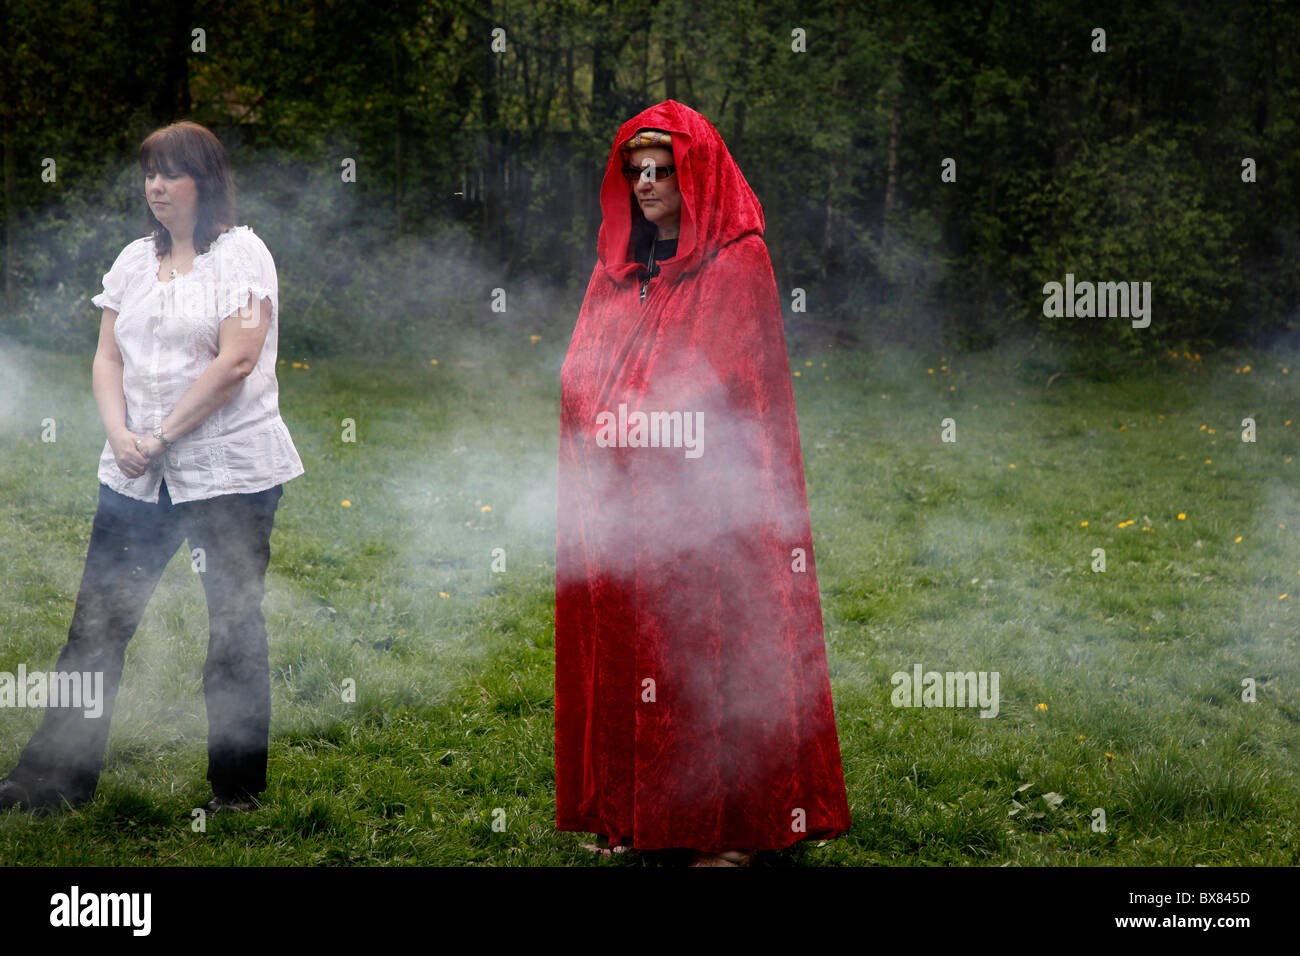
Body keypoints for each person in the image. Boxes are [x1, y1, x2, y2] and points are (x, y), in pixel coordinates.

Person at [555, 101, 851, 866]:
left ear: (697, 175)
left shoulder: (737, 263)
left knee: (704, 650)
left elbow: (716, 389)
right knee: (632, 646)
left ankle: (728, 828)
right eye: (636, 171)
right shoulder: (620, 270)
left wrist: (635, 426)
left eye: (663, 170)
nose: (647, 185)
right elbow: (583, 376)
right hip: (623, 502)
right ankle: (636, 817)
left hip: (714, 511)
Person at [0, 120, 304, 814]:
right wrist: (122, 433)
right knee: (96, 627)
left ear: (206, 181)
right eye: (149, 174)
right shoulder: (135, 260)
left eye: (171, 172)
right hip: (136, 472)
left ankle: (235, 792)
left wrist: (161, 433)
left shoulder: (243, 256)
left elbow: (237, 359)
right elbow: (108, 357)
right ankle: (50, 783)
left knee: (232, 625)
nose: (156, 186)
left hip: (230, 475)